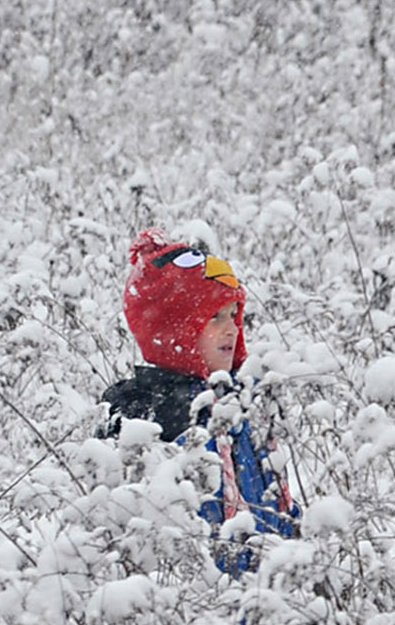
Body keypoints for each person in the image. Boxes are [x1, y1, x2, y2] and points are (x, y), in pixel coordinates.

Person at [101, 231, 300, 574]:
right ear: (175, 327)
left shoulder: (239, 405)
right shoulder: (146, 418)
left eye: (234, 314)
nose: (231, 330)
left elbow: (276, 508)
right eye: (215, 317)